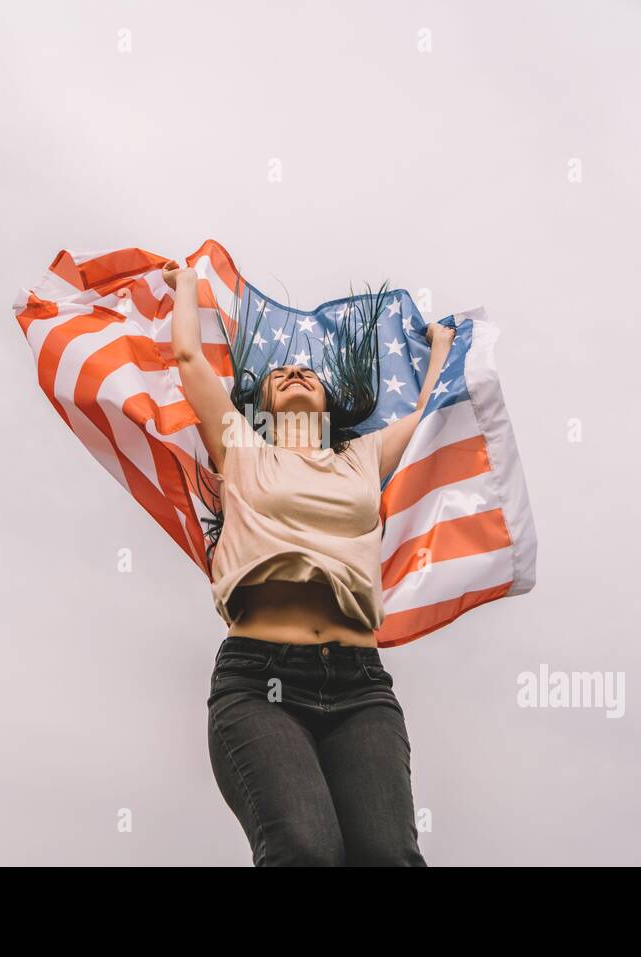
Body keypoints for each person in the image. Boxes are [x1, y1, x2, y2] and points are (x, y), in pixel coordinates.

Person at [164, 263, 455, 866]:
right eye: (280, 373)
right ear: (261, 403)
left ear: (330, 403)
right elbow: (190, 361)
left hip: (360, 686)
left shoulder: (361, 459)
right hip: (258, 681)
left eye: (309, 374)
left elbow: (430, 416)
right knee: (306, 850)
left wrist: (443, 351)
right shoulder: (241, 448)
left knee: (387, 854)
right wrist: (185, 286)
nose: (296, 372)